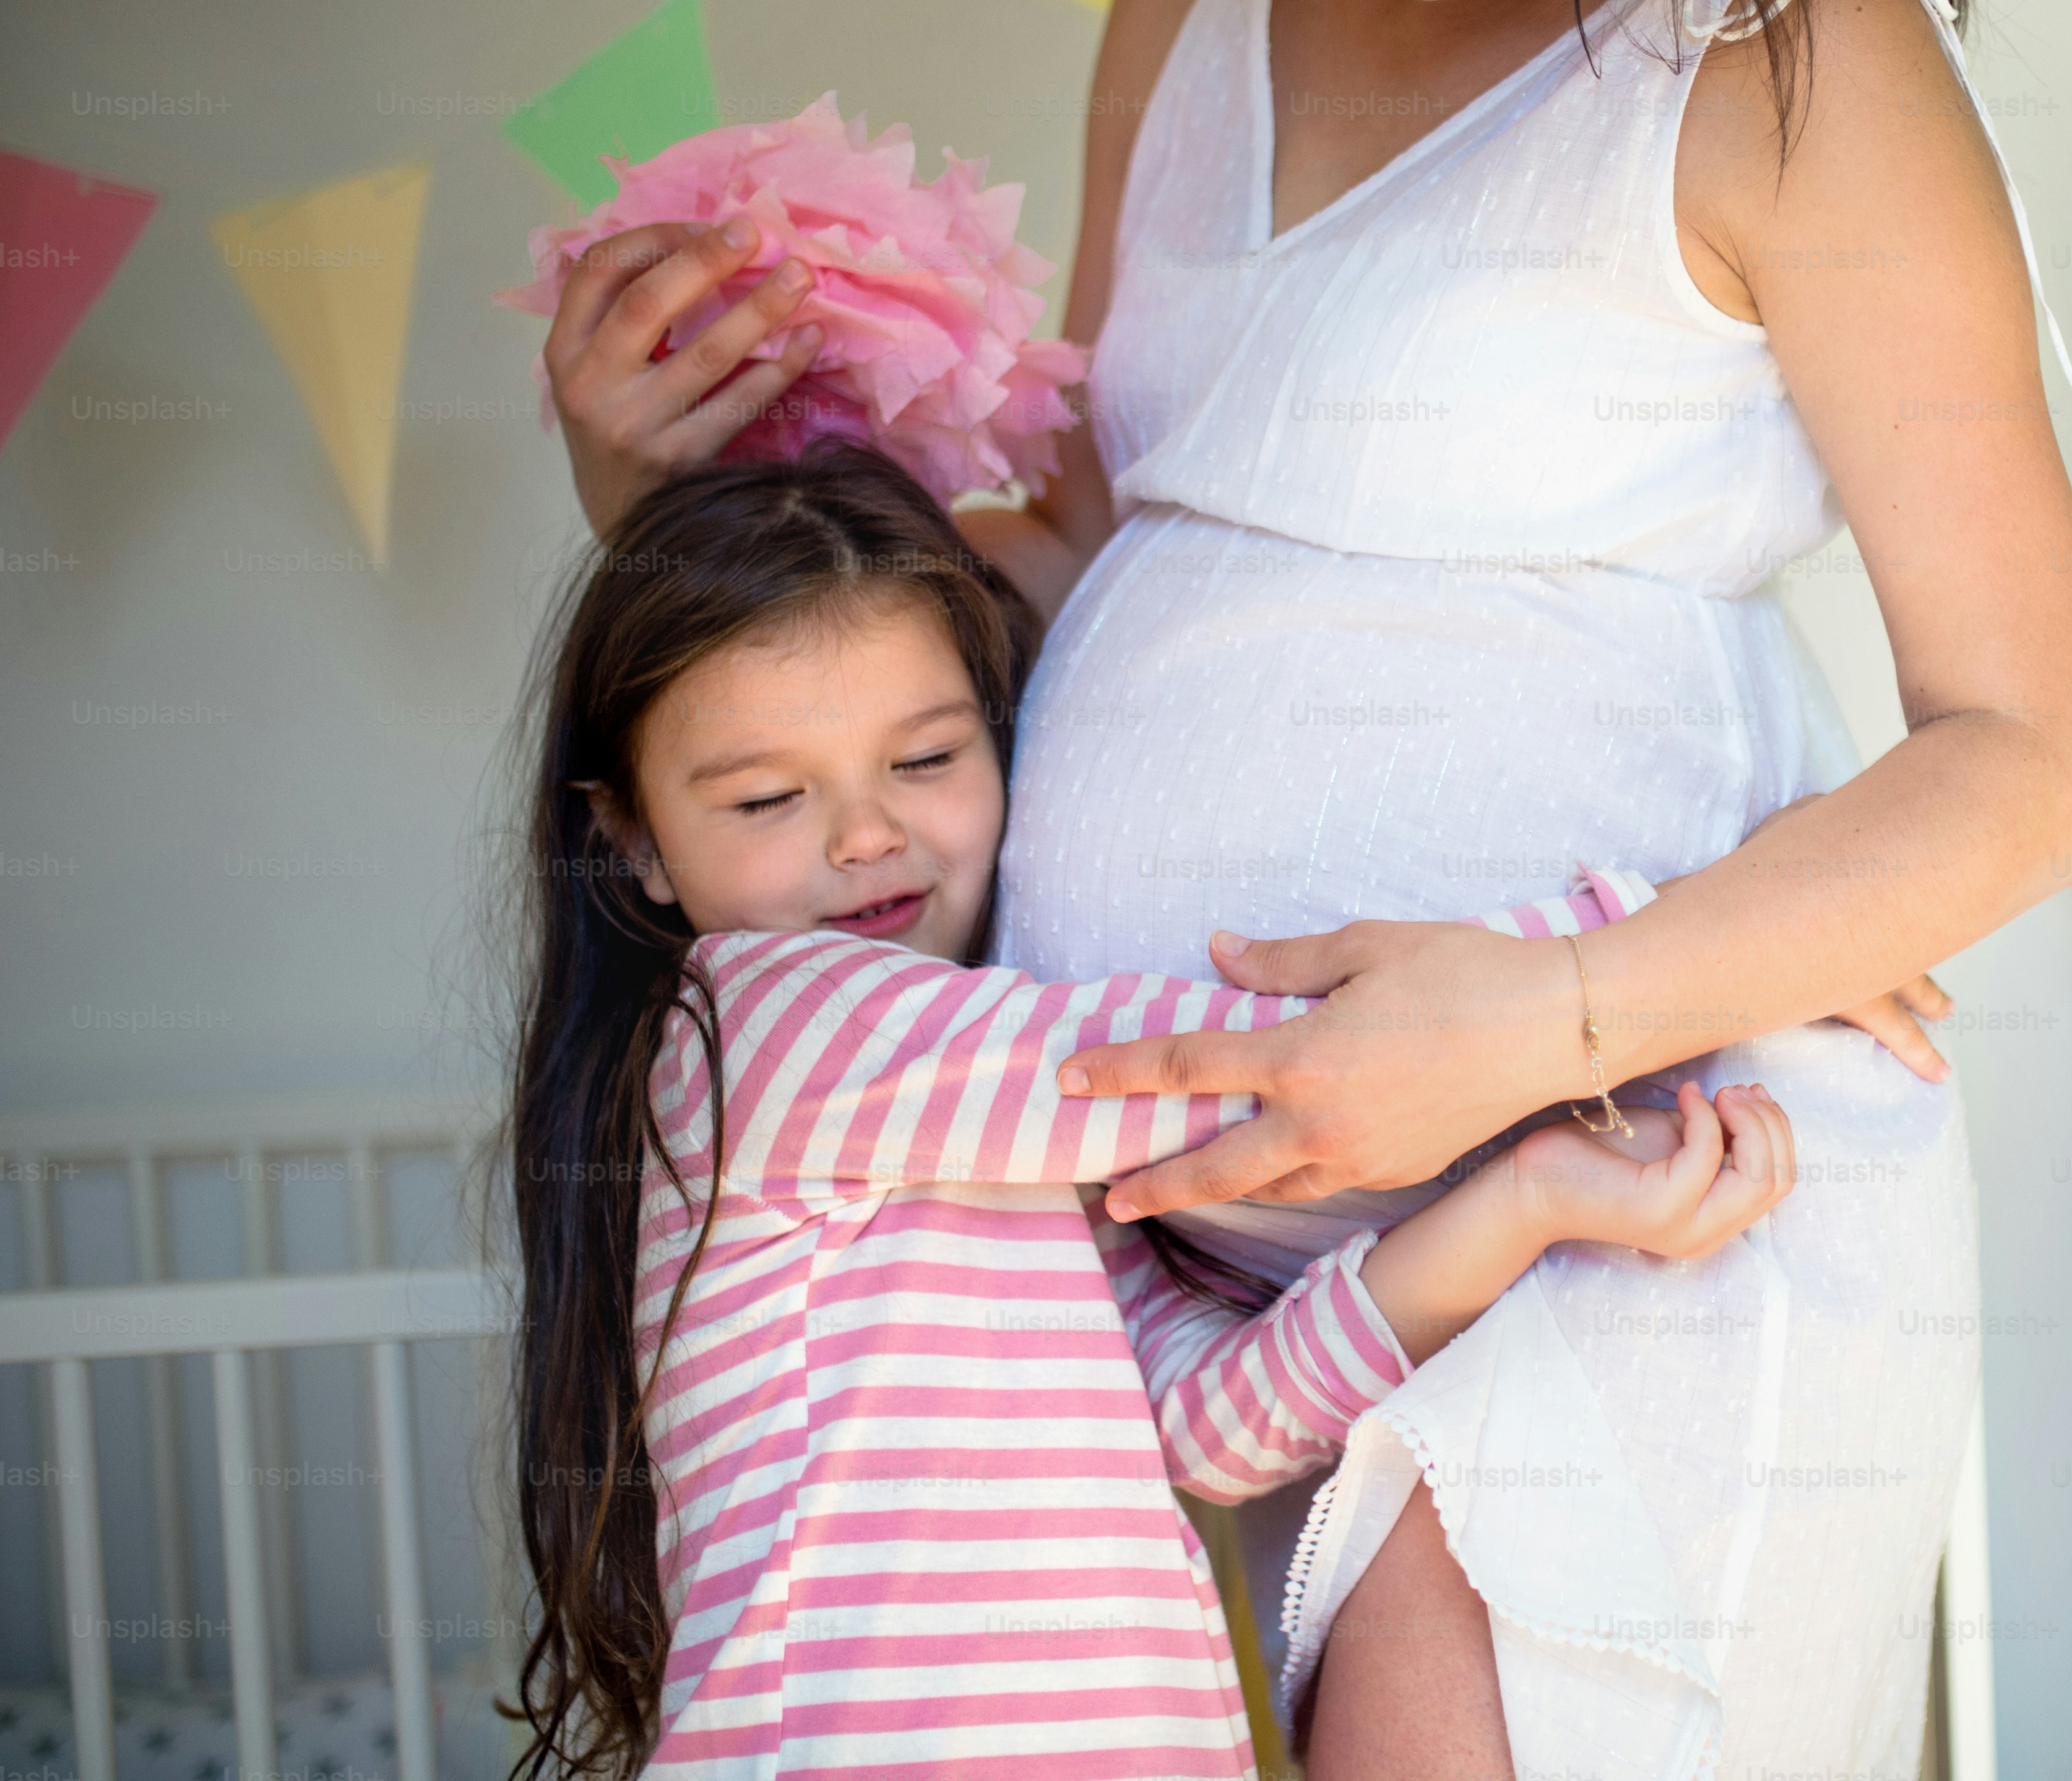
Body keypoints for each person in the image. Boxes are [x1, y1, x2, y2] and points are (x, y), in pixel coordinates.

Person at [538, 0, 2072, 1770]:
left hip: (1663, 1169)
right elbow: (1083, 560)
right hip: (1264, 1276)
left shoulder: (1796, 35)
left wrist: (1561, 1000)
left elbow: (2039, 759)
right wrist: (669, 512)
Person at [503, 444, 1797, 1778]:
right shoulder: (750, 1027)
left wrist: (1529, 1198)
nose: (865, 833)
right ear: (635, 838)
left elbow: (1212, 1428)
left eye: (927, 757)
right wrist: (1666, 952)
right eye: (770, 797)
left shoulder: (1014, 1153)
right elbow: (1245, 1061)